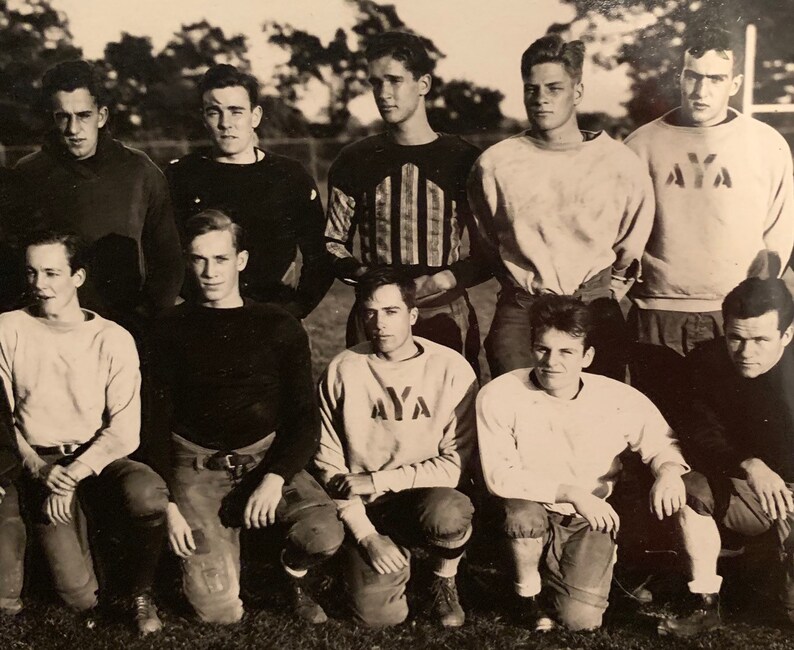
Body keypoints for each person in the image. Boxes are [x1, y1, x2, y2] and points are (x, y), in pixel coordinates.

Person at [150, 210, 343, 625]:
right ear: (187, 261)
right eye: (199, 259)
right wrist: (168, 503)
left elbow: (304, 417)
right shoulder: (167, 328)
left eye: (220, 259)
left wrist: (276, 477)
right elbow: (153, 422)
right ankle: (227, 556)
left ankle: (288, 573)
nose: (209, 271)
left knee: (322, 533)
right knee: (218, 612)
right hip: (198, 465)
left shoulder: (276, 323)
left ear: (241, 260)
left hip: (263, 457)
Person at [476, 295, 689, 631]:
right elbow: (500, 476)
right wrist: (573, 493)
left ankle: (563, 576)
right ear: (532, 347)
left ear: (587, 356)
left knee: (581, 620)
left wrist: (669, 471)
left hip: (588, 515)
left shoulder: (616, 397)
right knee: (522, 516)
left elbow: (662, 443)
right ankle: (526, 595)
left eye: (566, 352)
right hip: (528, 506)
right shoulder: (500, 393)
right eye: (543, 349)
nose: (551, 362)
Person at [0, 231, 168, 634]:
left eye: (52, 273)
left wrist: (73, 476)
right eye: (32, 273)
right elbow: (2, 421)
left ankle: (142, 592)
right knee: (79, 596)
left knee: (147, 492)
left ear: (78, 277)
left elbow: (125, 431)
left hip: (98, 459)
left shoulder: (112, 338)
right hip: (36, 460)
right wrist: (39, 469)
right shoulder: (7, 329)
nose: (40, 285)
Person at [467, 34, 654, 379]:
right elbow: (488, 242)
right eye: (531, 89)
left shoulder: (617, 162)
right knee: (518, 407)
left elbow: (630, 245)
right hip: (523, 307)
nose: (541, 100)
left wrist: (601, 290)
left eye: (554, 88)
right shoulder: (496, 163)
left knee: (595, 413)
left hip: (593, 306)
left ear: (577, 92)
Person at [315, 267, 477, 627]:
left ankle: (443, 578)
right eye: (370, 313)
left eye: (391, 312)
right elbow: (327, 465)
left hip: (425, 496)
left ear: (413, 315)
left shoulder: (451, 368)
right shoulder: (343, 369)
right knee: (379, 619)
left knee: (449, 512)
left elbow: (456, 465)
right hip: (368, 509)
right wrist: (367, 536)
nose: (379, 324)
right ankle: (354, 555)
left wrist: (377, 480)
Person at [625, 24, 794, 357]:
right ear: (680, 78)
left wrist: (754, 300)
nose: (702, 90)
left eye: (716, 79)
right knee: (660, 407)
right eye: (693, 76)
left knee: (732, 408)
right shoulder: (640, 145)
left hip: (735, 315)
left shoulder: (765, 144)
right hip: (659, 310)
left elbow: (780, 230)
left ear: (735, 84)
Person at [324, 31, 489, 374]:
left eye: (395, 80)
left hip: (443, 313)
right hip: (375, 316)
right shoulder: (355, 159)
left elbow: (487, 252)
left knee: (449, 416)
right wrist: (369, 278)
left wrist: (440, 281)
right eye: (375, 82)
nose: (383, 93)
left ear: (423, 83)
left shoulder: (463, 160)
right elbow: (331, 242)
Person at [659, 277, 794, 636]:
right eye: (736, 337)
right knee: (693, 489)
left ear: (787, 334)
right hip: (750, 487)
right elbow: (701, 434)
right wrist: (750, 463)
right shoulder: (706, 360)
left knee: (787, 611)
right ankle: (704, 604)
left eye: (761, 340)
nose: (746, 352)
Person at [14, 60, 183, 324]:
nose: (73, 129)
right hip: (47, 329)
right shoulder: (27, 173)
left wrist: (148, 318)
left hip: (123, 326)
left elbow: (168, 260)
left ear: (101, 116)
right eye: (63, 117)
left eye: (83, 115)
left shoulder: (140, 171)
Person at [167, 64, 332, 319]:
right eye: (214, 112)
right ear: (203, 117)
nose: (225, 123)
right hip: (202, 318)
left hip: (271, 317)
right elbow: (164, 254)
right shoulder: (181, 175)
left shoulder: (289, 175)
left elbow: (319, 256)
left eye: (236, 112)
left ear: (254, 116)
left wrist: (294, 310)